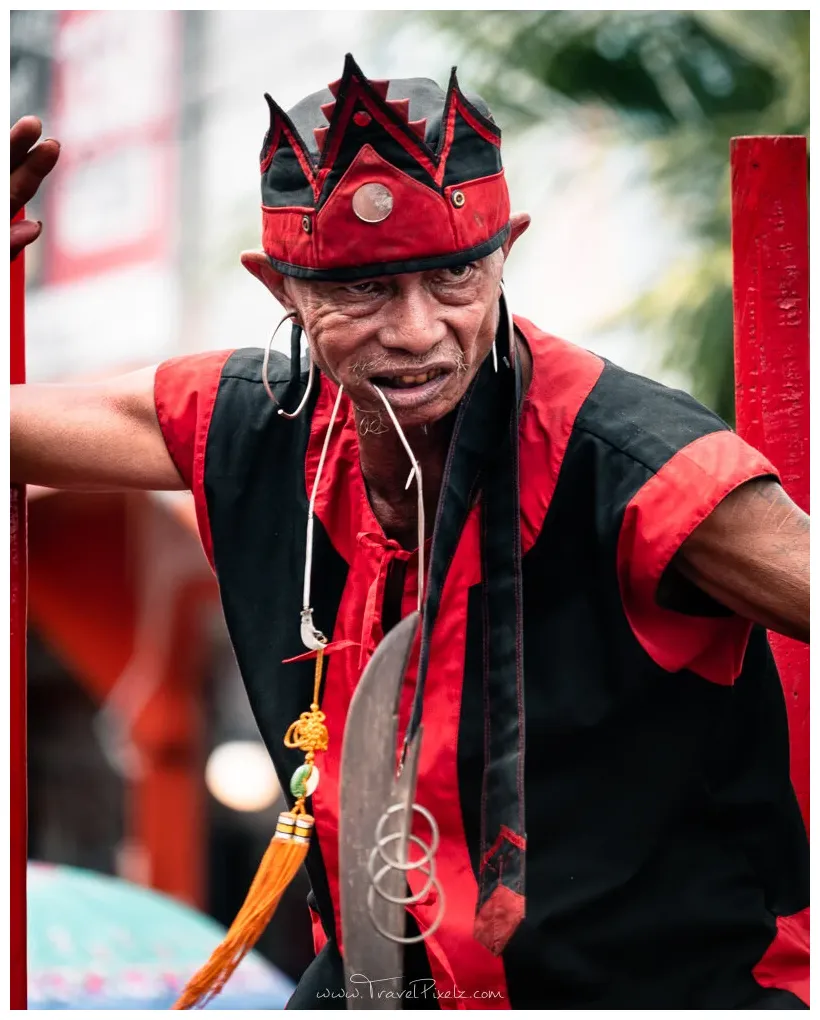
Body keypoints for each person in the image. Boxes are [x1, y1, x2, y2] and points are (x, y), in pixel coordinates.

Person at [11, 55, 809, 1010]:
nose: (419, 332)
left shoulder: (635, 468)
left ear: (505, 250)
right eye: (365, 292)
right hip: (377, 986)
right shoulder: (251, 423)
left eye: (455, 277)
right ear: (281, 290)